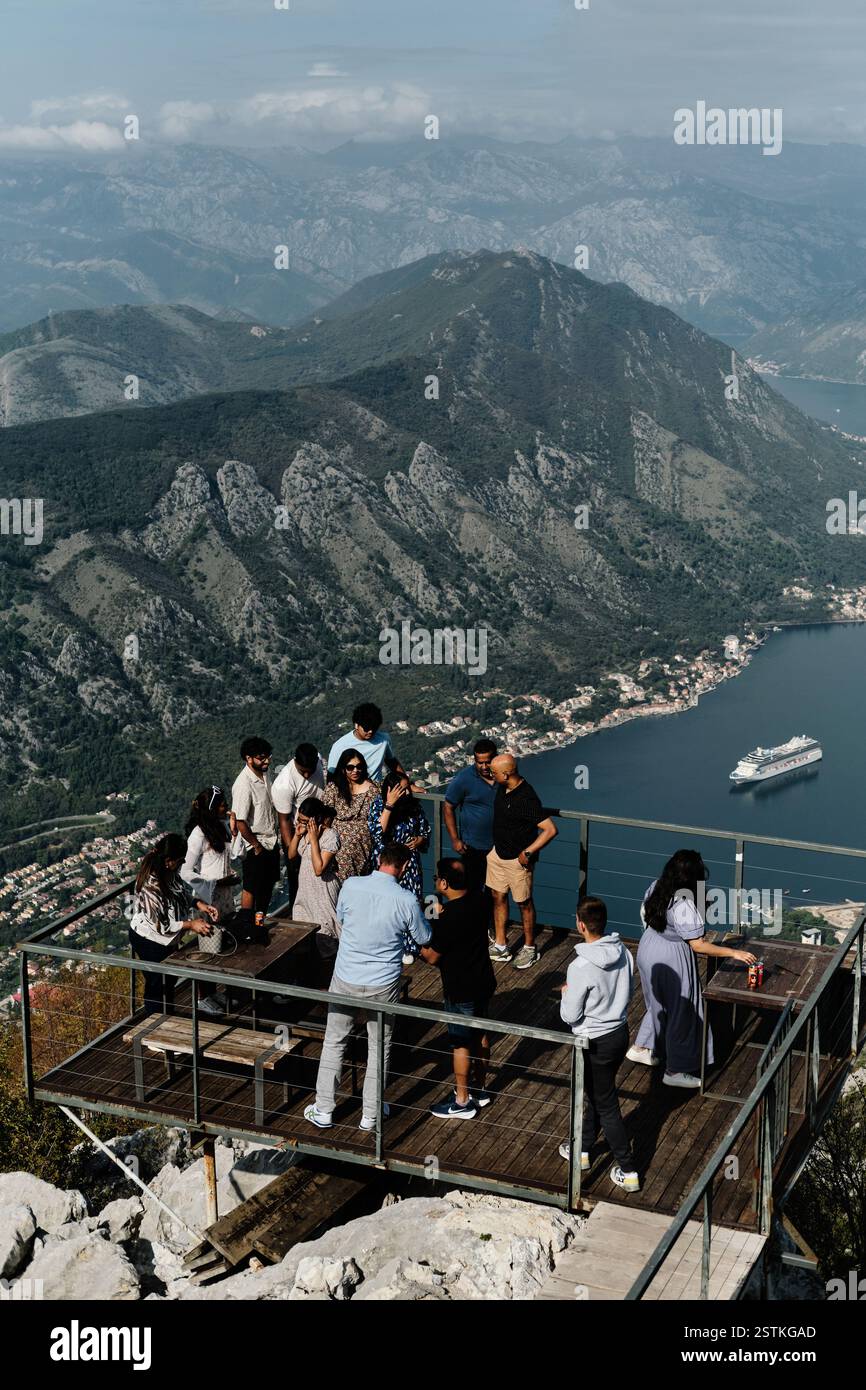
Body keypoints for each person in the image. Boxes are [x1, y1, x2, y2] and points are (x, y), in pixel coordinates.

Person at [304, 844, 431, 1132]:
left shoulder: (351, 885)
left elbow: (344, 919)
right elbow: (423, 937)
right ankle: (370, 1115)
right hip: (383, 982)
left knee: (335, 1040)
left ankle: (324, 1109)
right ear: (405, 867)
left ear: (378, 859)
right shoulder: (407, 899)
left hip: (346, 975)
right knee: (379, 1047)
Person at [630, 850, 757, 1087]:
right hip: (672, 955)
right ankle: (676, 1070)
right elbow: (698, 945)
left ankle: (645, 1046)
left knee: (658, 1003)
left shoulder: (657, 887)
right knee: (683, 1010)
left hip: (649, 948)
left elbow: (649, 914)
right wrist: (733, 952)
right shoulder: (684, 904)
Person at [557, 896, 640, 1193]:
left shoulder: (580, 967)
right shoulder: (625, 953)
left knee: (606, 1104)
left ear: (580, 924)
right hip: (619, 1033)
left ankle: (629, 1170)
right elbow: (629, 992)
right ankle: (582, 1150)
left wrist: (567, 992)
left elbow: (570, 1015)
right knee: (597, 1092)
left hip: (593, 1040)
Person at [421, 859, 496, 1120]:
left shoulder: (449, 918)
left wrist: (414, 943)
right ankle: (481, 1089)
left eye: (436, 879)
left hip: (459, 987)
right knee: (481, 1035)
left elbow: (432, 957)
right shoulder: (482, 901)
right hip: (483, 980)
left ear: (444, 883)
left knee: (460, 1043)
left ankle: (462, 1100)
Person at [128, 834, 218, 1014]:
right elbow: (162, 926)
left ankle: (166, 1017)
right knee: (156, 985)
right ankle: (155, 1023)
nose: (183, 863)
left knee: (167, 982)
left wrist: (198, 904)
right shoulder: (151, 885)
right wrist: (191, 924)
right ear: (169, 861)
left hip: (163, 940)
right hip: (149, 940)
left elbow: (181, 894)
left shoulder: (169, 873)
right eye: (181, 860)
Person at [486, 753, 557, 970]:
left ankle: (529, 947)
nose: (491, 775)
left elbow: (550, 829)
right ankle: (501, 944)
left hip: (517, 861)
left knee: (524, 903)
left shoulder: (526, 798)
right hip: (498, 854)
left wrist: (528, 852)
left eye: (494, 772)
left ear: (506, 774)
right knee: (497, 896)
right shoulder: (503, 787)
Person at [181, 785, 238, 1016]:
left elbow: (234, 855)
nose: (226, 806)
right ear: (213, 808)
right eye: (222, 804)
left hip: (224, 896)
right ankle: (202, 996)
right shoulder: (199, 834)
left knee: (220, 945)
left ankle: (213, 991)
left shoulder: (219, 828)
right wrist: (214, 883)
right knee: (207, 948)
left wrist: (235, 833)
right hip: (208, 898)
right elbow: (185, 870)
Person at [369, 770, 430, 964]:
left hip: (409, 862)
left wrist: (420, 840)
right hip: (386, 862)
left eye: (407, 788)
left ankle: (409, 945)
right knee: (386, 903)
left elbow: (424, 830)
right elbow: (378, 832)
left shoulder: (414, 807)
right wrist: (389, 804)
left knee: (410, 902)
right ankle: (388, 943)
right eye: (401, 789)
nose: (406, 793)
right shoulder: (378, 805)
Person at [272, 743, 326, 911]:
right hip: (299, 834)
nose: (307, 774)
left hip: (322, 827)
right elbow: (284, 820)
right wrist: (291, 853)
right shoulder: (284, 784)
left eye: (310, 769)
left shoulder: (317, 762)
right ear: (295, 761)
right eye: (303, 771)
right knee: (299, 881)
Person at [231, 736, 280, 916]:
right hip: (256, 843)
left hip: (271, 840)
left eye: (268, 756)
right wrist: (257, 846)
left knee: (268, 883)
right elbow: (240, 821)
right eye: (261, 757)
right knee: (251, 886)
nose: (266, 761)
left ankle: (260, 920)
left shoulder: (266, 774)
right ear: (248, 758)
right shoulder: (244, 784)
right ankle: (246, 923)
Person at [288, 796, 341, 958]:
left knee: (325, 937)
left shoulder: (331, 836)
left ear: (316, 819)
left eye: (304, 821)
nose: (301, 824)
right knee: (303, 938)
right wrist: (297, 835)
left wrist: (313, 840)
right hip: (306, 892)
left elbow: (319, 869)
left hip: (322, 892)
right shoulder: (304, 832)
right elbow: (291, 855)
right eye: (299, 820)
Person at [444, 739, 498, 890]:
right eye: (479, 762)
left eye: (488, 762)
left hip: (500, 847)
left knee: (496, 894)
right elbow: (448, 806)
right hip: (473, 848)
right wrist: (455, 839)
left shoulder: (503, 774)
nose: (484, 766)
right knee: (472, 890)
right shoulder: (464, 779)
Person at [322, 748, 380, 885]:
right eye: (350, 767)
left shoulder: (374, 789)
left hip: (363, 844)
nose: (355, 770)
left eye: (359, 766)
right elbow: (325, 815)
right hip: (336, 844)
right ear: (343, 769)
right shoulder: (334, 788)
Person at [326, 702, 409, 784]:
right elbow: (331, 776)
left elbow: (392, 763)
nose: (370, 731)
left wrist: (407, 782)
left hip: (375, 791)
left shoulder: (384, 740)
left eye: (374, 728)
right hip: (349, 792)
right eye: (366, 728)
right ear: (356, 725)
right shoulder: (340, 746)